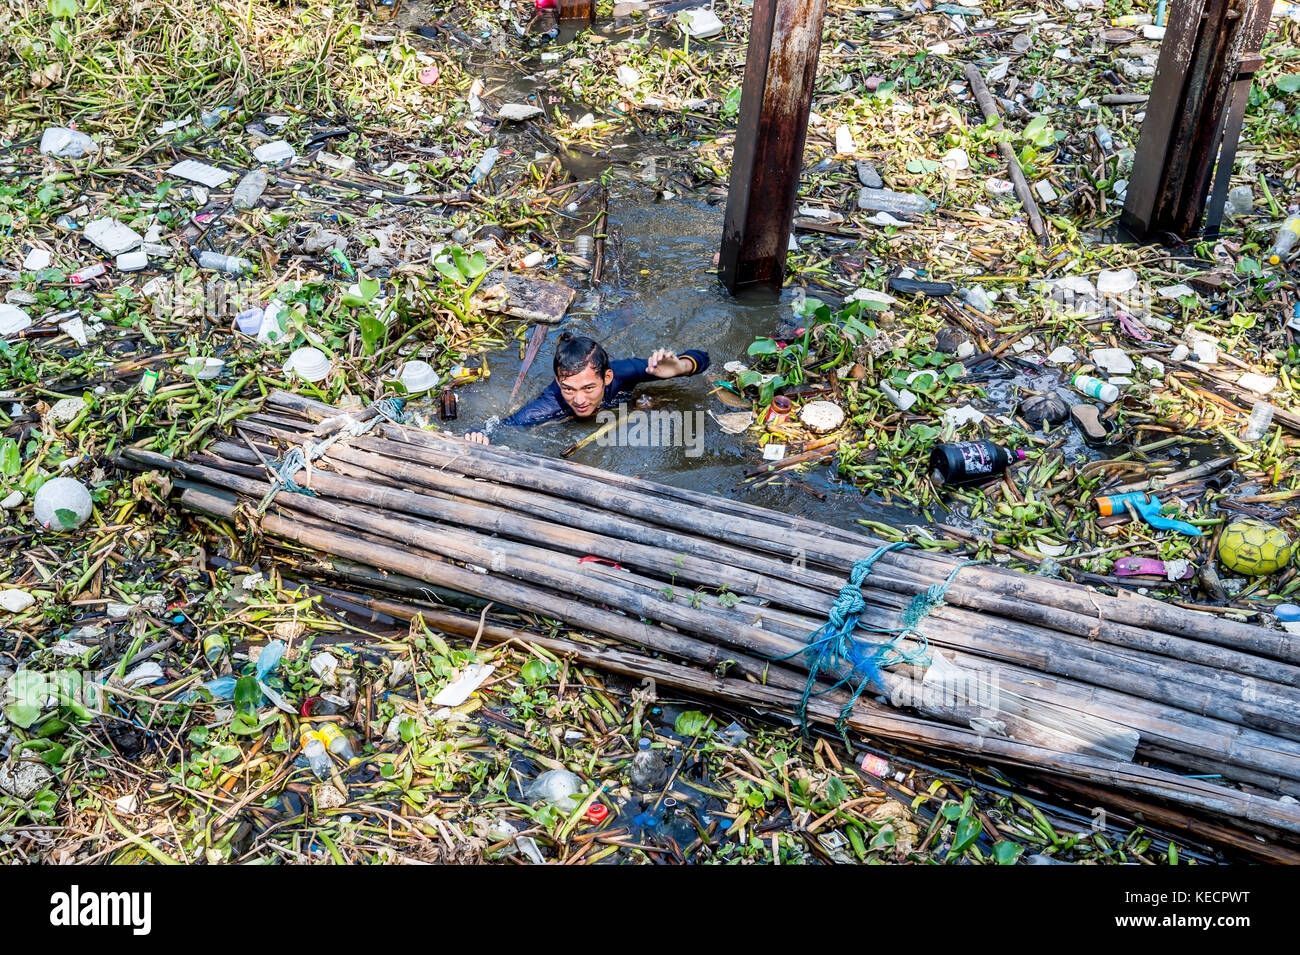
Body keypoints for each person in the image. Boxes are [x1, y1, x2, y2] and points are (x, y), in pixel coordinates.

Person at [466, 332, 709, 443]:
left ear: (607, 377)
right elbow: (503, 426)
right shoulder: (551, 403)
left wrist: (681, 368)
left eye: (589, 388)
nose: (579, 399)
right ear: (559, 381)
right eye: (569, 389)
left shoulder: (623, 373)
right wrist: (479, 434)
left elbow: (703, 357)